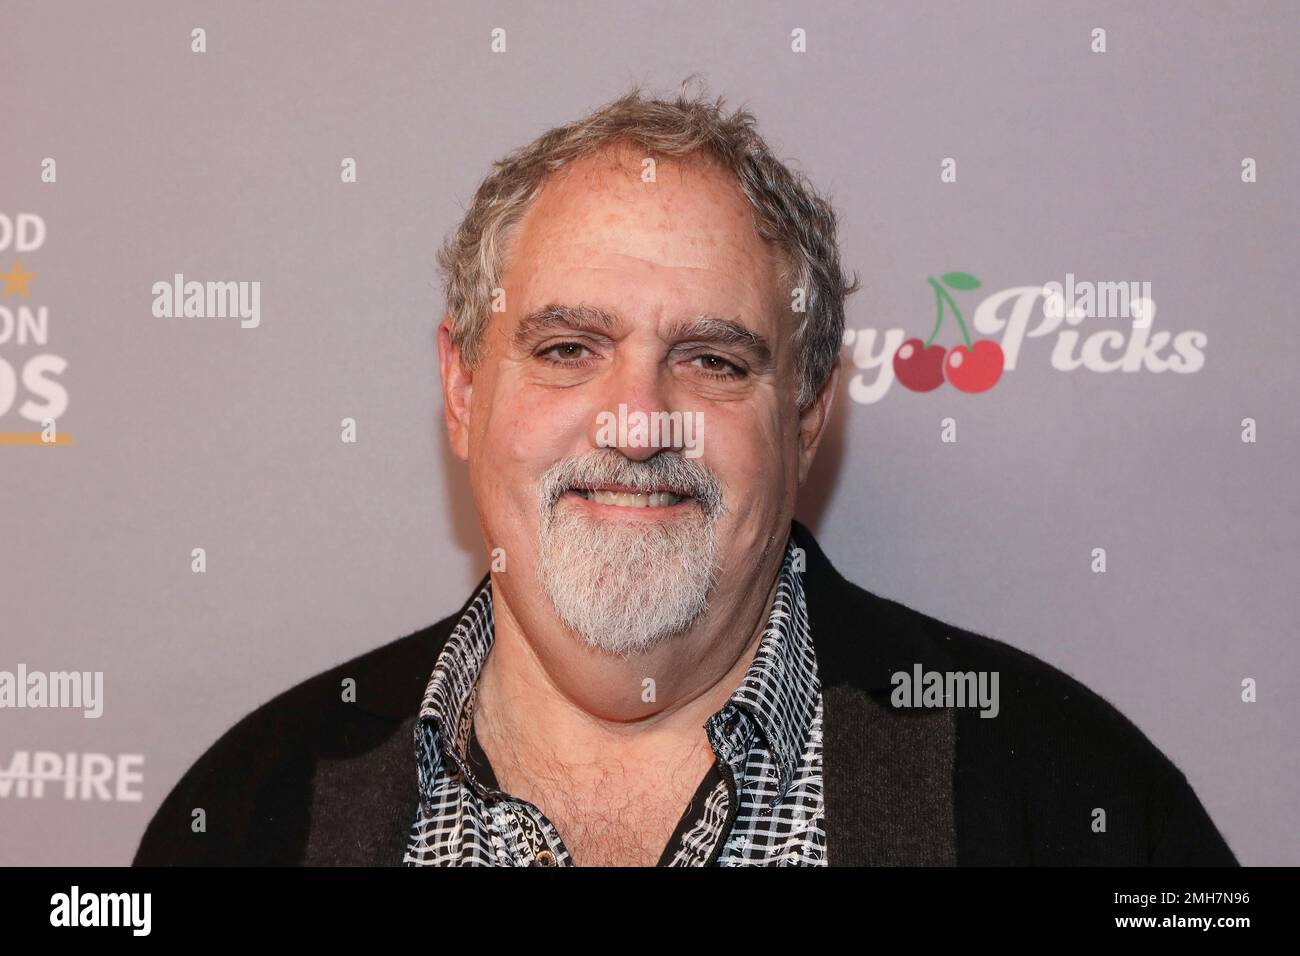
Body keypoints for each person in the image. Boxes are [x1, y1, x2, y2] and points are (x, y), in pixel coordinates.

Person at [133, 81, 1236, 867]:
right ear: (464, 390)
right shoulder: (245, 811)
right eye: (568, 348)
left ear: (805, 414)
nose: (635, 419)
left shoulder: (1077, 804)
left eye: (712, 360)